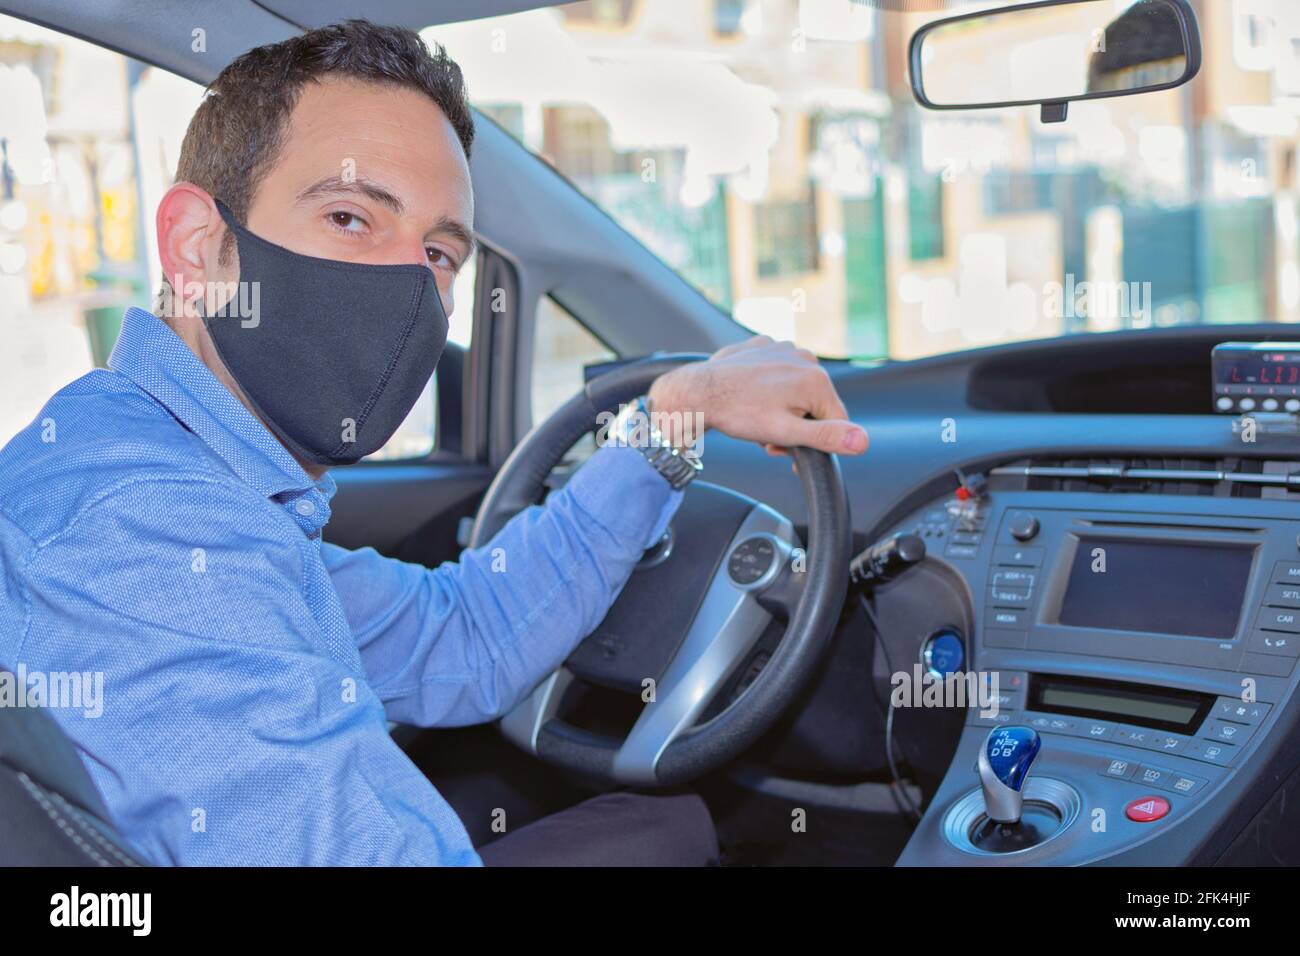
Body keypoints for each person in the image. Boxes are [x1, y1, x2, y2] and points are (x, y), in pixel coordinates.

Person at [0, 19, 867, 866]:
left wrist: (676, 415)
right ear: (200, 247)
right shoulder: (146, 536)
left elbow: (469, 637)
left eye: (440, 254)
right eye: (349, 218)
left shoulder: (195, 488)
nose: (409, 291)